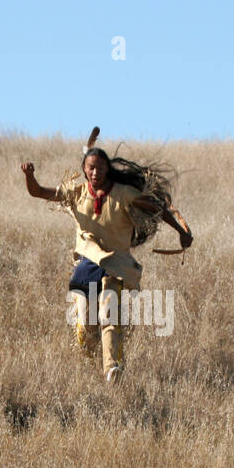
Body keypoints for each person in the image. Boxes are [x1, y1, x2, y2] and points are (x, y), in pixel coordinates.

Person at [20, 141, 191, 383]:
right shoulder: (76, 193)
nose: (95, 173)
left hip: (116, 266)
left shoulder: (125, 194)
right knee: (85, 330)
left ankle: (112, 368)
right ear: (84, 168)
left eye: (100, 168)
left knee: (109, 316)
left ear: (107, 169)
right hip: (87, 267)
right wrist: (29, 176)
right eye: (91, 168)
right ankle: (94, 366)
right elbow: (38, 192)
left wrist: (181, 232)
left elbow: (157, 208)